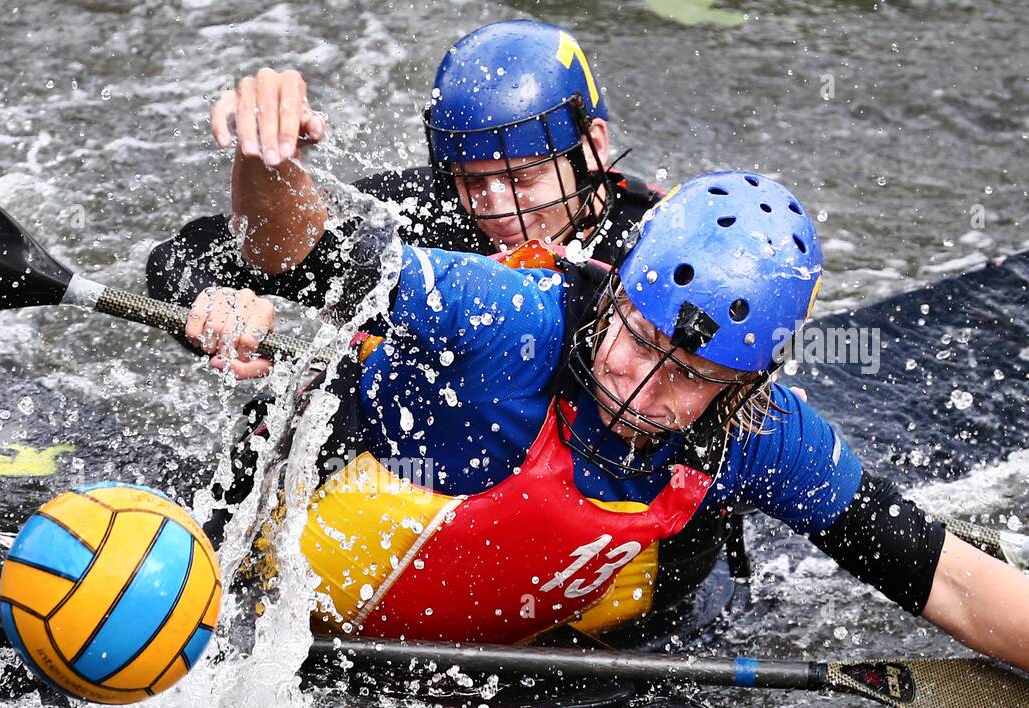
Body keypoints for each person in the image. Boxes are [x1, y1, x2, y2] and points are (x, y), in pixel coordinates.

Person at [185, 120, 1029, 671]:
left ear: (745, 385)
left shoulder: (760, 431)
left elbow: (952, 582)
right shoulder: (512, 315)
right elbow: (302, 255)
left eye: (693, 377)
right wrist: (267, 157)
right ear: (615, 287)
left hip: (533, 637)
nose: (641, 387)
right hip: (315, 577)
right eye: (638, 340)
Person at [152, 19, 663, 378]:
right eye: (470, 180)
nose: (494, 206)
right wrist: (267, 164)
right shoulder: (422, 216)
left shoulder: (657, 244)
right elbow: (188, 255)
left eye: (524, 177)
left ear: (594, 147)